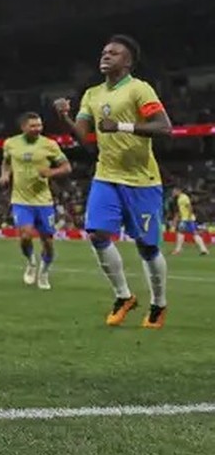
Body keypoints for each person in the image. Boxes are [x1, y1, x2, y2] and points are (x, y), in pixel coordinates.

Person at [53, 35, 173, 329]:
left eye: (114, 53)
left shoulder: (139, 89)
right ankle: (123, 296)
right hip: (106, 175)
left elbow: (164, 127)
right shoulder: (92, 94)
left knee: (147, 247)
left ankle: (158, 304)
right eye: (104, 51)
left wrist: (122, 126)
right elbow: (82, 137)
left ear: (127, 61)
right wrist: (65, 118)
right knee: (96, 234)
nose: (105, 55)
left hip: (141, 180)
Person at [0, 112, 71, 289]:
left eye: (39, 125)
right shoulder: (10, 143)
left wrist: (51, 173)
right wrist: (5, 174)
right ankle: (31, 262)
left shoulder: (49, 145)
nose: (37, 128)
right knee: (25, 236)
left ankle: (44, 272)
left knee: (47, 242)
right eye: (33, 126)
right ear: (23, 127)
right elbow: (6, 162)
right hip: (21, 200)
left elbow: (67, 167)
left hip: (43, 202)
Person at [169, 187, 207, 256]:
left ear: (178, 191)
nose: (173, 193)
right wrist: (177, 219)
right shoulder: (179, 198)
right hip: (186, 219)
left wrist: (189, 217)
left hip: (186, 219)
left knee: (181, 233)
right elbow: (181, 210)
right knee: (194, 234)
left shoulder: (184, 197)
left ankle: (178, 250)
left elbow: (190, 207)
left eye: (174, 191)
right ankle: (204, 249)